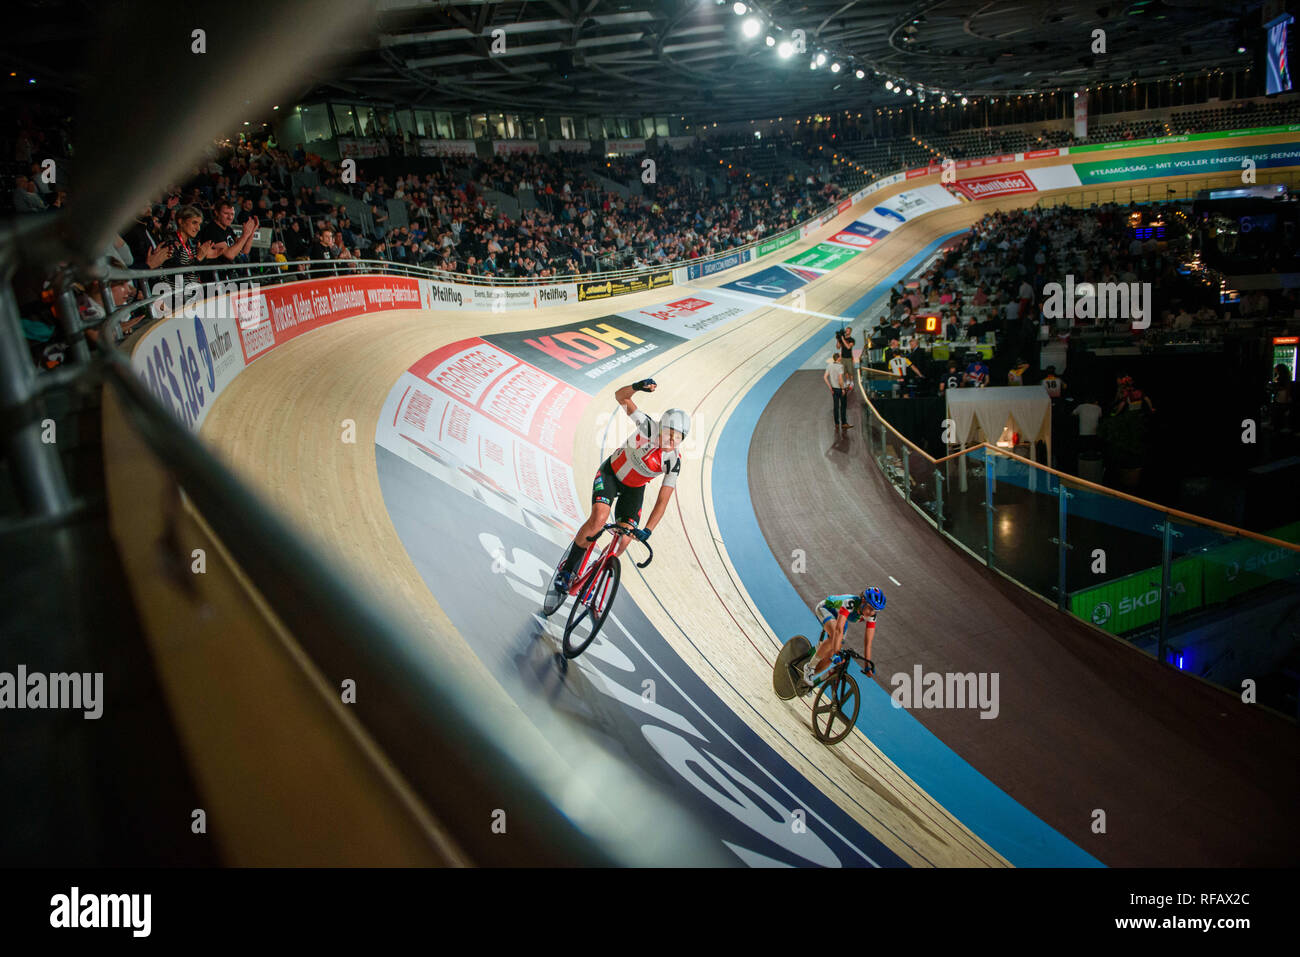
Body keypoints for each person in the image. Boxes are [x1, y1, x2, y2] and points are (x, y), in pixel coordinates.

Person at [554, 379, 688, 592]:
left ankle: (594, 573)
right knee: (598, 519)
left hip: (633, 490)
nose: (672, 440)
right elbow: (621, 397)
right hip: (611, 475)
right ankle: (568, 570)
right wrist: (637, 387)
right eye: (669, 433)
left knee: (624, 540)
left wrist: (648, 530)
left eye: (678, 437)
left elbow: (663, 501)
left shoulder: (673, 461)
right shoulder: (647, 427)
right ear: (660, 427)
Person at [800, 588, 885, 692]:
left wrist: (867, 665)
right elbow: (838, 630)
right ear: (863, 601)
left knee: (830, 657)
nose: (871, 613)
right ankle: (810, 667)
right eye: (870, 608)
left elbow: (868, 643)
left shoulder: (872, 616)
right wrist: (837, 651)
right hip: (826, 608)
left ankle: (806, 679)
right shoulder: (851, 602)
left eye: (875, 610)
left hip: (840, 618)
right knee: (834, 639)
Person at [825, 351, 850, 431]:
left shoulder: (829, 365)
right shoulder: (840, 366)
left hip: (834, 389)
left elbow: (825, 377)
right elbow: (840, 379)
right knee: (843, 406)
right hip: (840, 389)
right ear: (838, 358)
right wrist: (843, 389)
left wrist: (830, 388)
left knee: (835, 406)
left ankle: (836, 423)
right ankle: (844, 423)